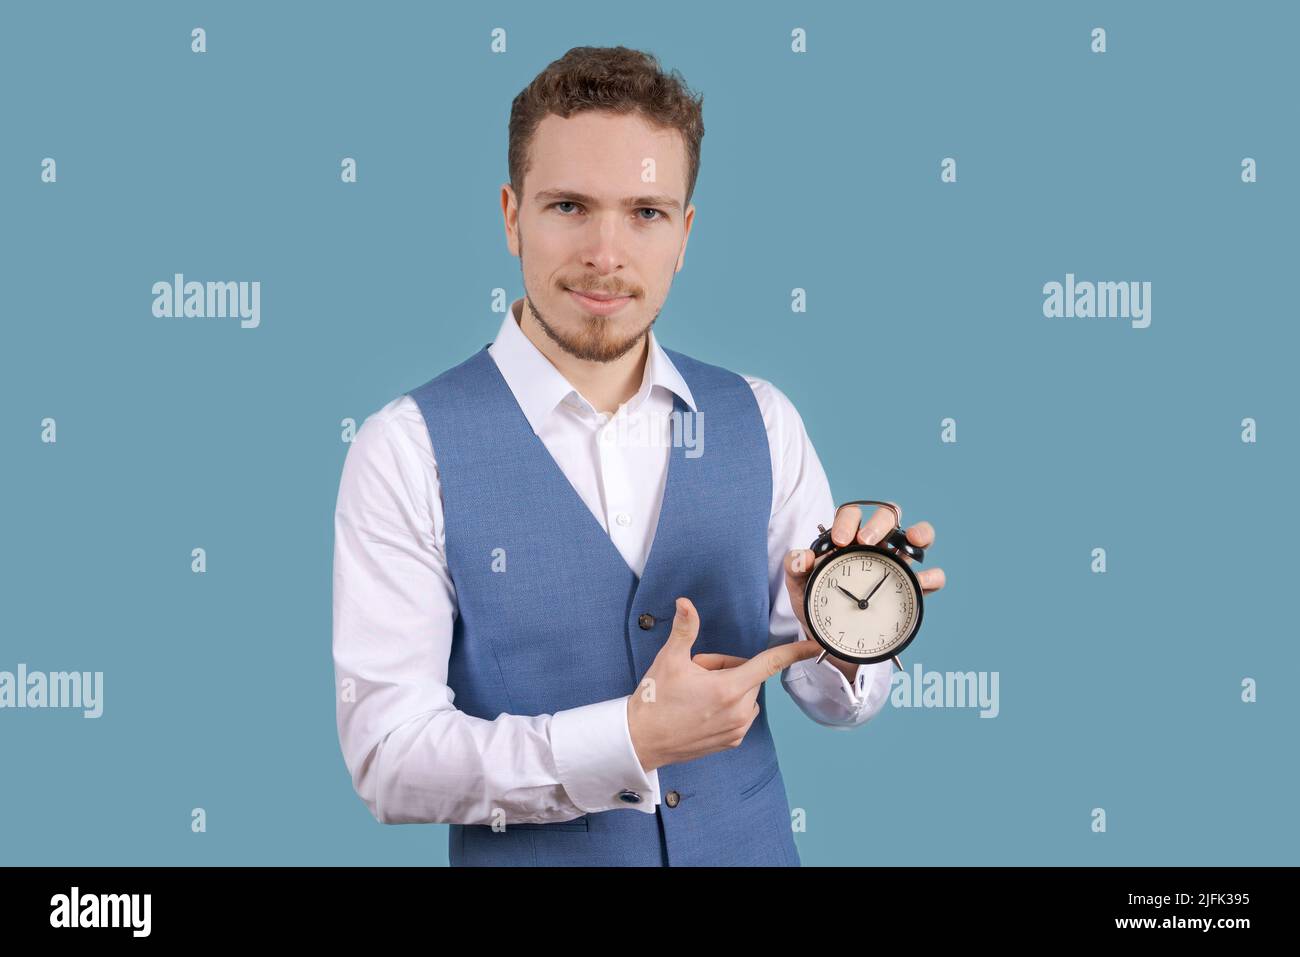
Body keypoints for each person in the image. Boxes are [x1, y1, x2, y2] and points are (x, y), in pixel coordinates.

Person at [332, 45, 945, 867]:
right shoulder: (405, 450)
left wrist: (840, 626)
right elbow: (389, 758)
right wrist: (626, 737)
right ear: (512, 214)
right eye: (569, 206)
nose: (606, 254)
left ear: (685, 232)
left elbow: (841, 704)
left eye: (646, 212)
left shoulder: (762, 417)